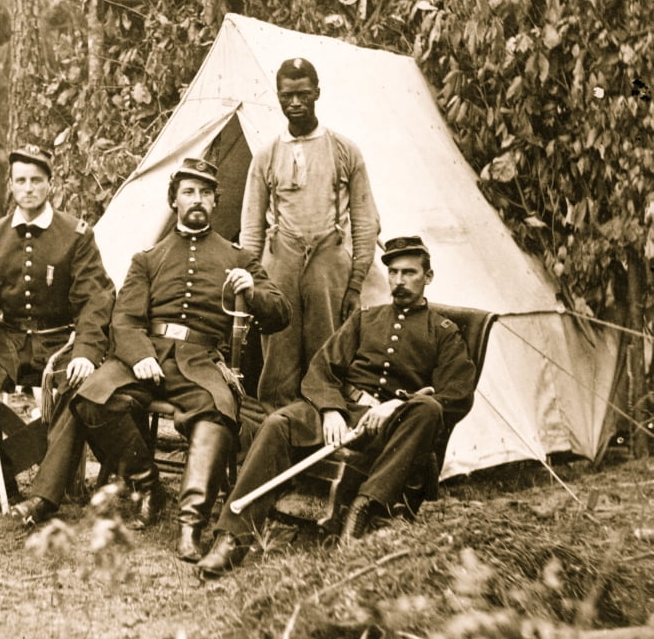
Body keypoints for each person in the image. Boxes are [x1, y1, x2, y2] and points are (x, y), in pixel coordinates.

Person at [197, 235, 477, 576]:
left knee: (428, 410)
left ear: (427, 277)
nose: (400, 281)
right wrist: (331, 409)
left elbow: (458, 394)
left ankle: (364, 506)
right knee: (279, 423)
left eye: (410, 273)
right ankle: (231, 539)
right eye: (394, 273)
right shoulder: (365, 319)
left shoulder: (443, 332)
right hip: (344, 412)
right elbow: (321, 368)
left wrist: (398, 406)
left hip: (391, 429)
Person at [73, 158, 291, 560]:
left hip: (201, 362)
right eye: (189, 192)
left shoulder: (238, 258)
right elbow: (125, 319)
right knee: (92, 398)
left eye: (206, 193)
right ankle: (148, 485)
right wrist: (139, 355)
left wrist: (254, 291)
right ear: (174, 200)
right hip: (149, 356)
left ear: (215, 201)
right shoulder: (148, 258)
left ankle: (190, 524)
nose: (197, 200)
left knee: (216, 411)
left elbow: (281, 313)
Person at [0, 145, 115, 515]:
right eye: (20, 181)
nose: (28, 189)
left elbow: (97, 300)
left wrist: (85, 352)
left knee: (76, 385)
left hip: (59, 338)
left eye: (37, 181)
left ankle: (45, 495)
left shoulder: (75, 234)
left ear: (50, 185)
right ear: (10, 186)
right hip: (5, 339)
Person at [241, 57, 380, 411]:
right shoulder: (266, 156)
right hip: (280, 263)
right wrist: (255, 282)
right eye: (288, 96)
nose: (296, 103)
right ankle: (278, 429)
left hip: (328, 262)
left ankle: (325, 431)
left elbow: (365, 223)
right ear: (278, 96)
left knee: (327, 353)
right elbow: (252, 227)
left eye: (304, 94)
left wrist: (354, 284)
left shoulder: (345, 151)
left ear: (317, 93)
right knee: (278, 356)